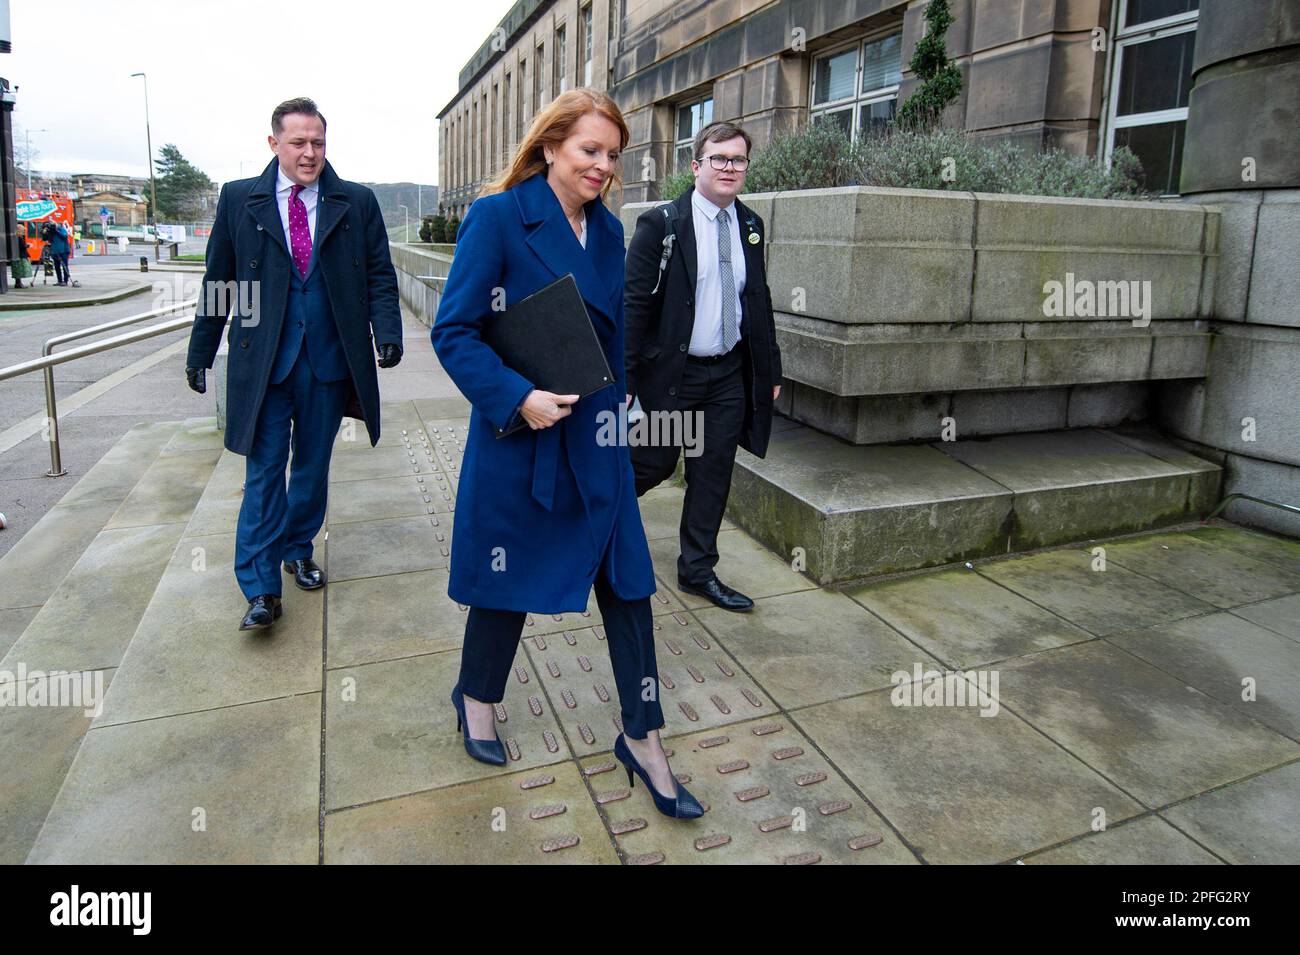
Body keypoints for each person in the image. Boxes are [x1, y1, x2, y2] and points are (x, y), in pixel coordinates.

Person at [431, 87, 703, 820]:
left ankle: (642, 734)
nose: (604, 166)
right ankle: (478, 698)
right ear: (550, 146)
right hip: (523, 438)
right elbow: (454, 332)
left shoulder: (612, 232)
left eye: (613, 155)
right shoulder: (497, 218)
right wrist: (518, 395)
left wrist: (631, 413)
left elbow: (612, 338)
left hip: (600, 438)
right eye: (590, 150)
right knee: (507, 582)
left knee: (630, 584)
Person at [184, 97, 404, 631]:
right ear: (274, 144)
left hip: (327, 361)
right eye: (299, 143)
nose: (310, 154)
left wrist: (388, 332)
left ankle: (298, 548)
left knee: (310, 468)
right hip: (264, 365)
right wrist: (200, 349)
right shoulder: (240, 200)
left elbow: (378, 273)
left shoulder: (356, 202)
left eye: (318, 143)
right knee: (262, 473)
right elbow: (221, 281)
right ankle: (260, 589)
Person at [623, 120, 783, 612]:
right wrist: (624, 380)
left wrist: (770, 370)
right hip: (674, 375)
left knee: (713, 474)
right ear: (697, 166)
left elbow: (758, 300)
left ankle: (697, 570)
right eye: (719, 158)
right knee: (651, 463)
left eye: (738, 160)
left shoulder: (751, 226)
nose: (729, 167)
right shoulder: (663, 224)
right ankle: (587, 523)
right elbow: (633, 305)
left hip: (728, 374)